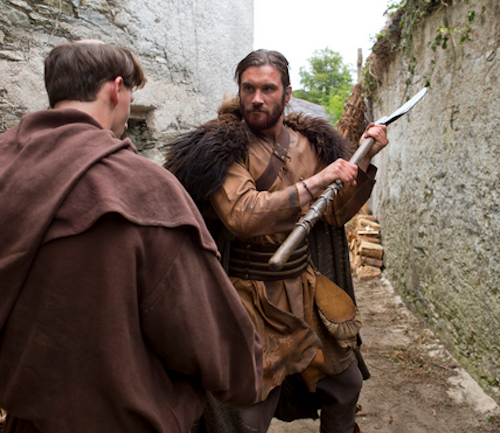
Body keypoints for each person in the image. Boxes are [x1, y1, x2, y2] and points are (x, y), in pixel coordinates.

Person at [0, 40, 263, 433]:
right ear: (116, 89)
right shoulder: (144, 189)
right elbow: (211, 341)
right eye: (131, 96)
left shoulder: (6, 168)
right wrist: (245, 373)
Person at [165, 49, 388, 433]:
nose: (256, 98)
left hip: (304, 289)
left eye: (268, 89)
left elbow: (333, 213)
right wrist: (317, 181)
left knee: (346, 385)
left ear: (287, 94)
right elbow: (242, 216)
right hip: (249, 298)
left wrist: (365, 160)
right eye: (248, 88)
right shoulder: (223, 149)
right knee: (246, 418)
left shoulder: (309, 144)